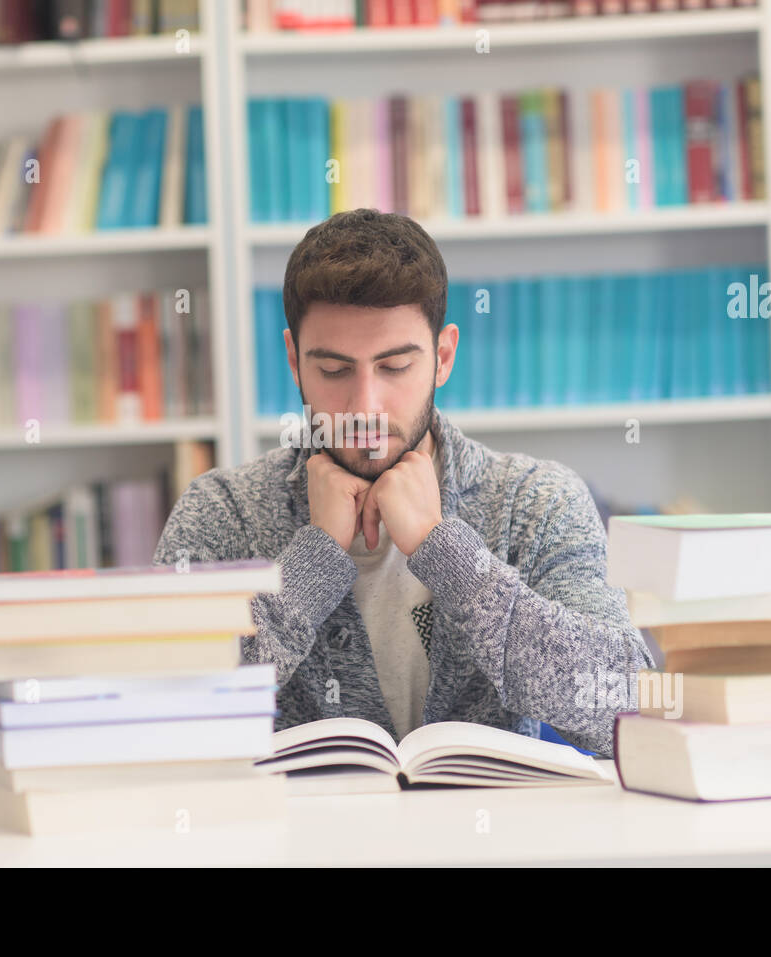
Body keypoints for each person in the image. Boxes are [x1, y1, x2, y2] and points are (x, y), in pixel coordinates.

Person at [153, 208, 654, 756]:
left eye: (394, 367)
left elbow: (627, 704)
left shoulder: (536, 501)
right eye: (335, 370)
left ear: (442, 358)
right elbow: (164, 710)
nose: (365, 406)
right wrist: (311, 562)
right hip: (296, 843)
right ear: (294, 362)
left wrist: (448, 556)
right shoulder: (223, 511)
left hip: (494, 841)